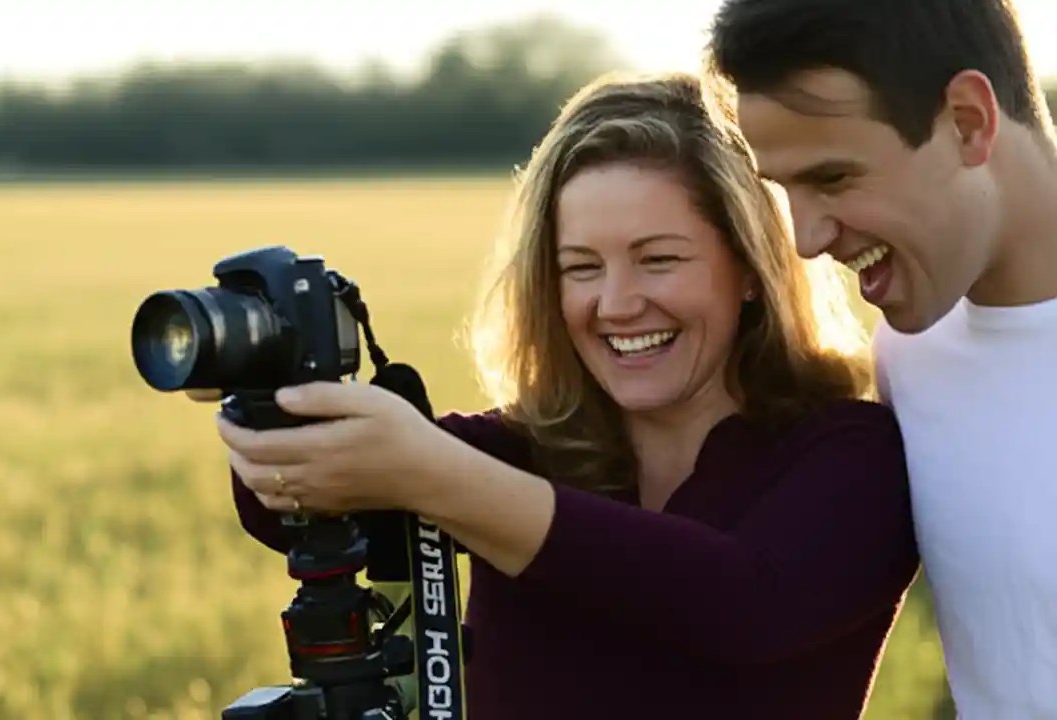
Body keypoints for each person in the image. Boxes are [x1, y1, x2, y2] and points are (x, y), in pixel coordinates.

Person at [211, 72, 919, 719]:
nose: (616, 304)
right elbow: (285, 507)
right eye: (581, 268)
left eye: (658, 260)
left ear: (751, 268)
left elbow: (744, 606)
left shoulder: (850, 457)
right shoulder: (527, 451)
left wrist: (435, 476)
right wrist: (271, 407)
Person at [706, 1, 1057, 716]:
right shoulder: (911, 356)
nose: (805, 239)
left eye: (832, 179)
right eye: (785, 189)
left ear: (967, 120)